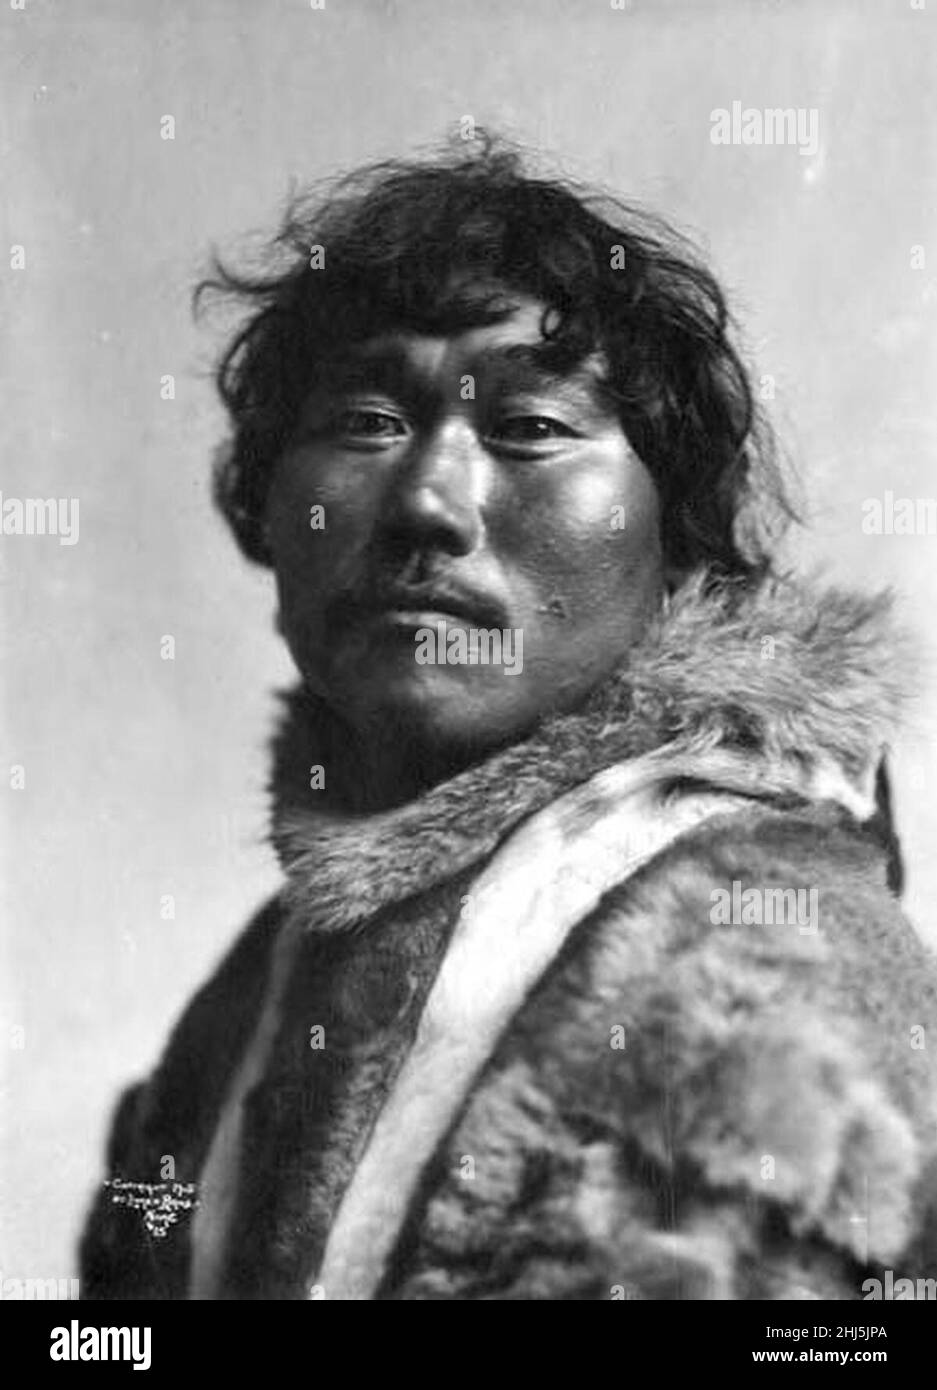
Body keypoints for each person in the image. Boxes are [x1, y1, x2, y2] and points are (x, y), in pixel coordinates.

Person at [80, 138, 937, 1300]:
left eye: (530, 427)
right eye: (367, 418)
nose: (429, 503)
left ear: (675, 538)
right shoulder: (267, 973)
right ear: (269, 508)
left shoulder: (758, 961)